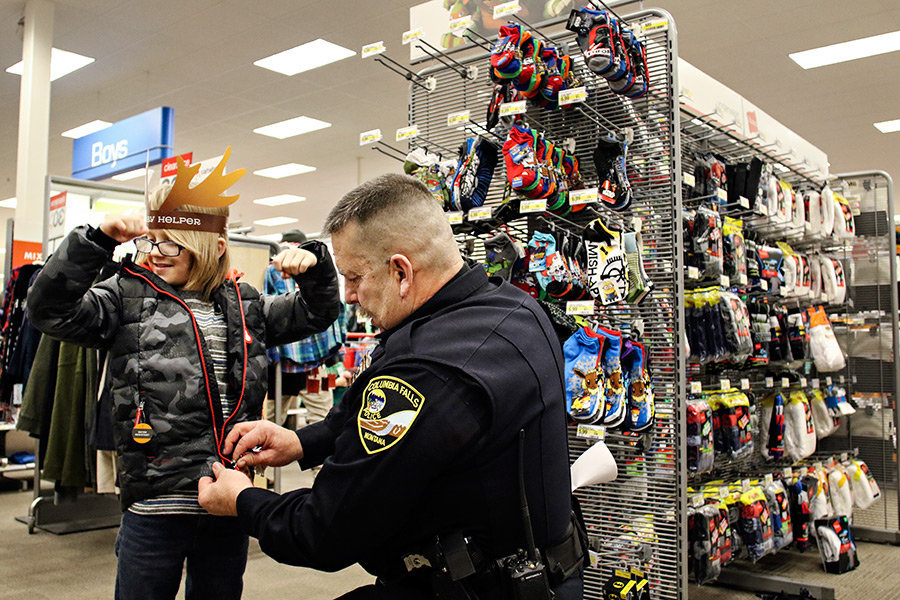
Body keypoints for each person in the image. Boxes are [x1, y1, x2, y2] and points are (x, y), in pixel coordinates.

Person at [199, 173, 584, 599]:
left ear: (401, 271)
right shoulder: (514, 306)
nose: (347, 296)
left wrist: (243, 501)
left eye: (354, 277)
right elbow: (378, 400)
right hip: (542, 575)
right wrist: (301, 442)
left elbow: (322, 531)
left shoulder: (426, 369)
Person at [27, 150, 340, 600]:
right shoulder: (123, 297)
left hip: (227, 497)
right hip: (153, 505)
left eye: (169, 242)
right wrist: (96, 239)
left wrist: (314, 266)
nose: (154, 253)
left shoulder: (244, 302)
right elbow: (47, 309)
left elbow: (316, 313)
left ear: (211, 241)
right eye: (149, 241)